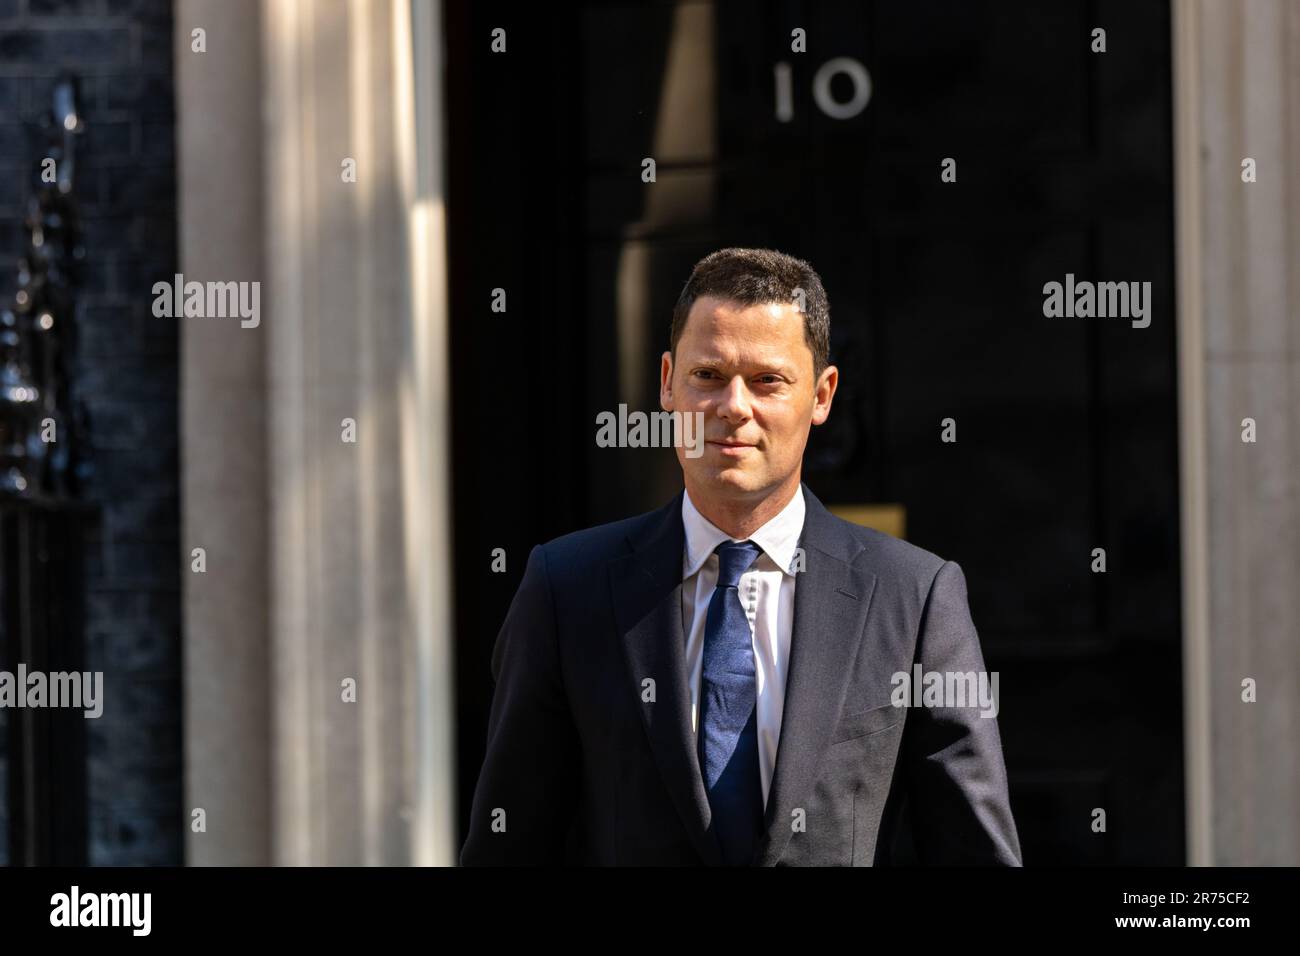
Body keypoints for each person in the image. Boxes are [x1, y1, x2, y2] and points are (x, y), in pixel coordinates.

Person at [460, 247, 1022, 866]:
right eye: (708, 375)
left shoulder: (913, 597)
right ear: (667, 382)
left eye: (767, 381)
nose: (733, 407)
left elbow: (974, 852)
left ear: (822, 394)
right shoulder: (566, 589)